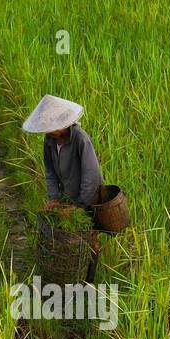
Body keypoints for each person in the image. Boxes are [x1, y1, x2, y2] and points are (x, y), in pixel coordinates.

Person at [22, 94, 103, 283]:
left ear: (64, 124)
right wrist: (54, 199)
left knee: (90, 240)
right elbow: (50, 172)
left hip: (88, 197)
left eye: (53, 128)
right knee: (67, 240)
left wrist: (79, 206)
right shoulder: (49, 142)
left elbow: (91, 176)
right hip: (67, 197)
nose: (50, 132)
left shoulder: (80, 139)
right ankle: (66, 279)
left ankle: (88, 282)